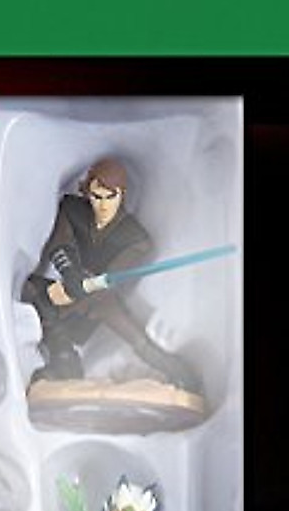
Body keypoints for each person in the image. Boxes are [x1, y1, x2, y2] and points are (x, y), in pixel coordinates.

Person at [21, 158, 199, 392]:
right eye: (97, 196)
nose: (103, 205)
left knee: (128, 328)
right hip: (68, 287)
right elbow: (60, 243)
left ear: (121, 195)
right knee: (32, 290)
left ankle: (175, 370)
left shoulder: (135, 238)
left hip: (99, 298)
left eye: (110, 197)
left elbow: (115, 276)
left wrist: (87, 286)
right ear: (87, 193)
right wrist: (71, 274)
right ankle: (64, 359)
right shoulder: (72, 209)